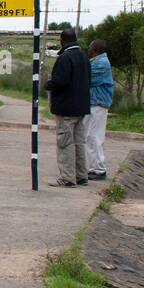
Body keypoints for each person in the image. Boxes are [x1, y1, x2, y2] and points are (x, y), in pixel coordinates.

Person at [43, 27, 90, 187]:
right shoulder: (83, 56)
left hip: (66, 107)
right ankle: (81, 175)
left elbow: (60, 81)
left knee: (65, 143)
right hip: (81, 106)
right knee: (79, 142)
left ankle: (67, 178)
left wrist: (47, 84)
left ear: (62, 41)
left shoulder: (65, 58)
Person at [85, 39, 113, 180]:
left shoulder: (100, 64)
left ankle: (99, 169)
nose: (88, 50)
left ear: (95, 49)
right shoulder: (98, 62)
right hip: (95, 103)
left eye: (90, 48)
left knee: (94, 136)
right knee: (91, 136)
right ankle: (93, 167)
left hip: (98, 103)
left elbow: (88, 78)